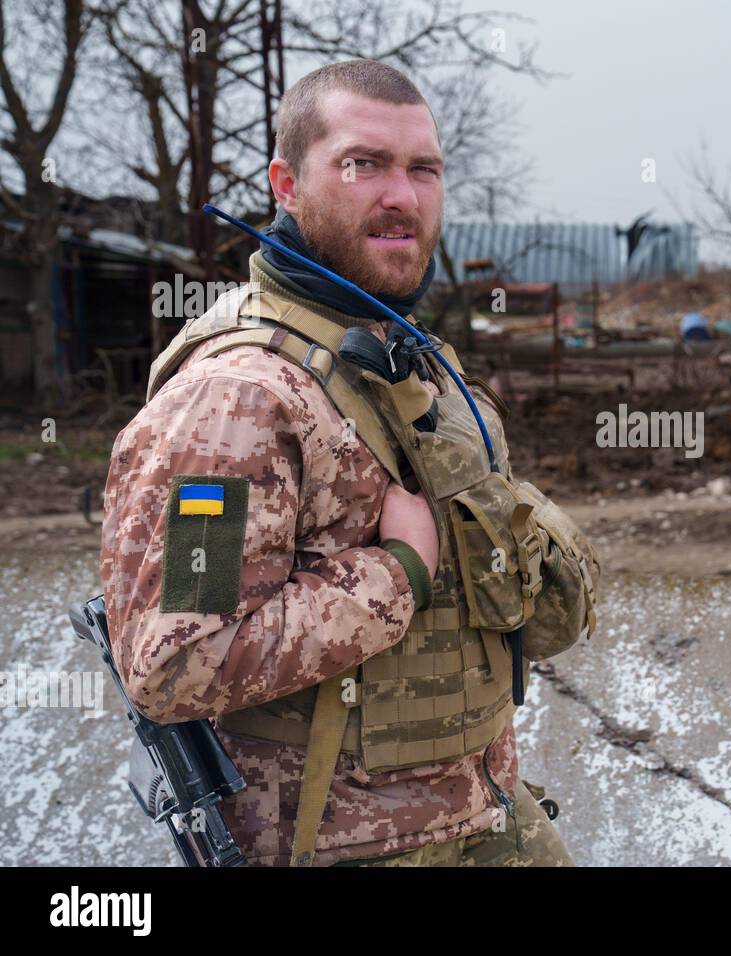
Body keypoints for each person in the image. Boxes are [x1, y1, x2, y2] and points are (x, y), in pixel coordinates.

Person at [98, 59, 599, 867]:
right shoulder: (233, 400)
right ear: (287, 186)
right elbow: (177, 658)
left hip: (484, 812)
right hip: (340, 845)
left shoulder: (408, 355)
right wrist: (398, 573)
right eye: (364, 164)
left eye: (423, 169)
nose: (401, 196)